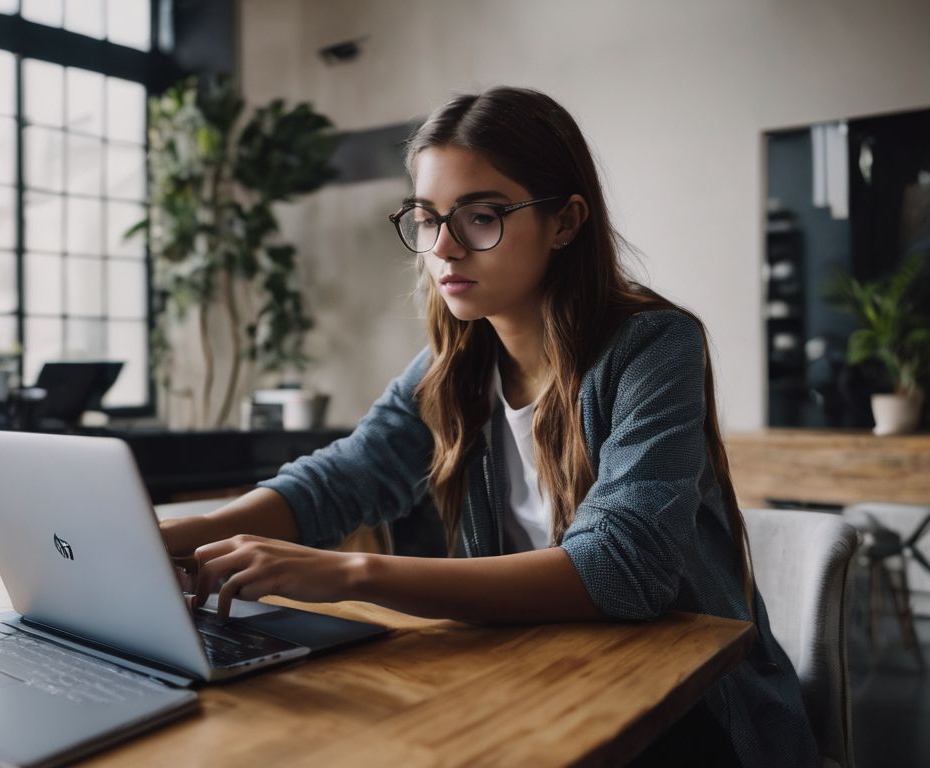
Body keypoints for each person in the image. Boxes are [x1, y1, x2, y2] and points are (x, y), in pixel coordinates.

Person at [160, 87, 818, 767]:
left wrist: (354, 573)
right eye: (426, 218)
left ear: (565, 222)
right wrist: (173, 538)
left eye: (481, 216)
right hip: (539, 676)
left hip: (688, 710)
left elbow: (623, 568)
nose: (443, 248)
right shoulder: (455, 362)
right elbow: (345, 476)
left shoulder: (653, 347)